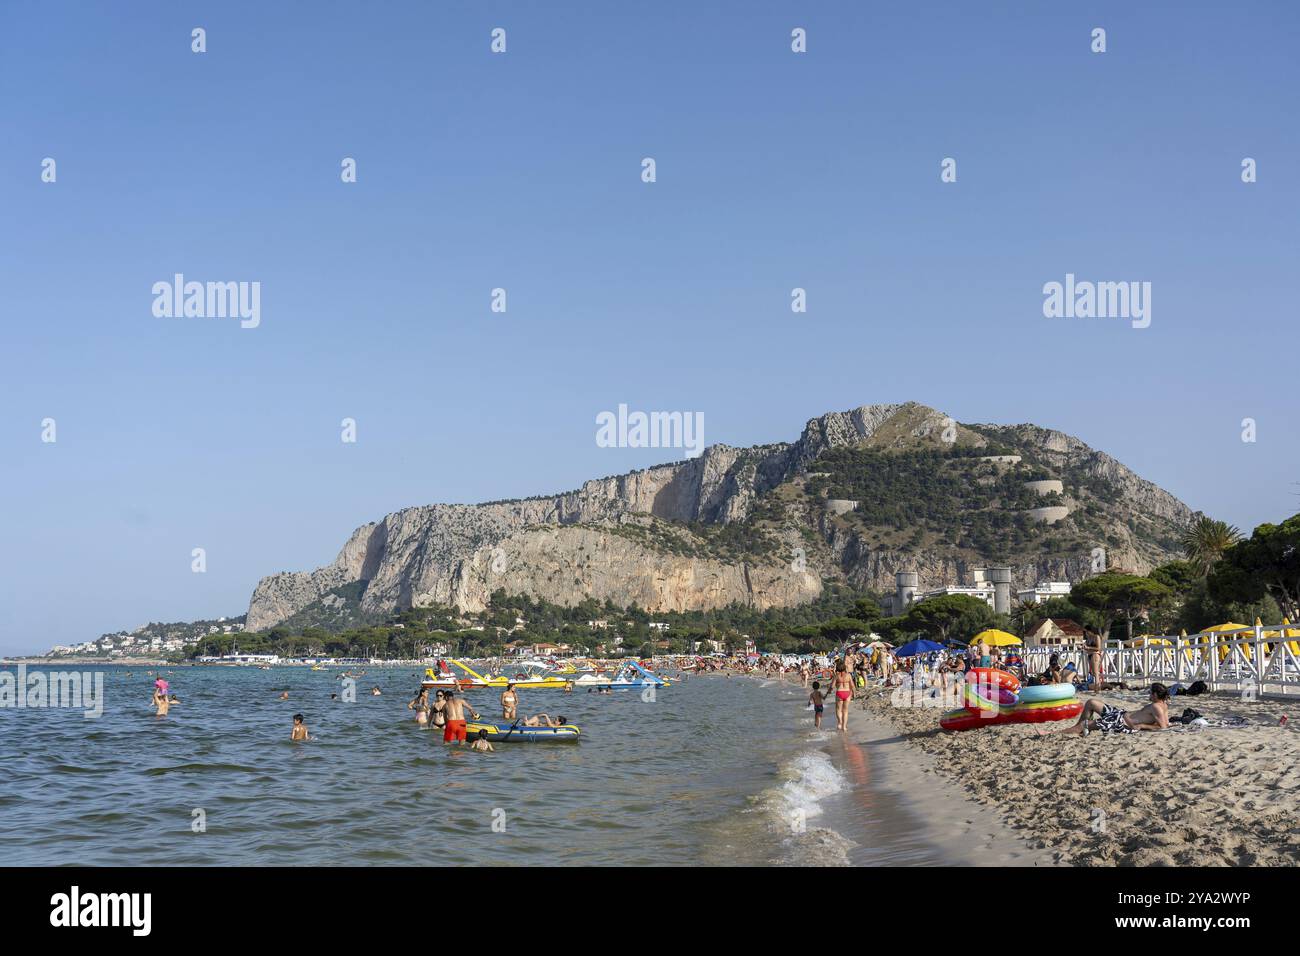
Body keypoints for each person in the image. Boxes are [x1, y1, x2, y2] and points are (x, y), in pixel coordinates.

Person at [1037, 683, 1170, 736]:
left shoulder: (1156, 706)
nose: (1149, 695)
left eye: (1151, 693)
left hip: (1119, 723)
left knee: (1085, 725)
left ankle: (1051, 733)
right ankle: (1080, 727)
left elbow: (1163, 727)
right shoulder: (1163, 705)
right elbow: (1166, 723)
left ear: (1156, 695)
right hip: (1119, 714)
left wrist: (1142, 725)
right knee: (1091, 702)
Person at [830, 661, 853, 732]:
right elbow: (852, 685)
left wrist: (830, 690)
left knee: (838, 709)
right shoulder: (848, 675)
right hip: (847, 693)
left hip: (839, 692)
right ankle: (844, 727)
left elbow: (832, 686)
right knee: (845, 711)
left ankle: (840, 722)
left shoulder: (836, 676)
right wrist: (854, 693)